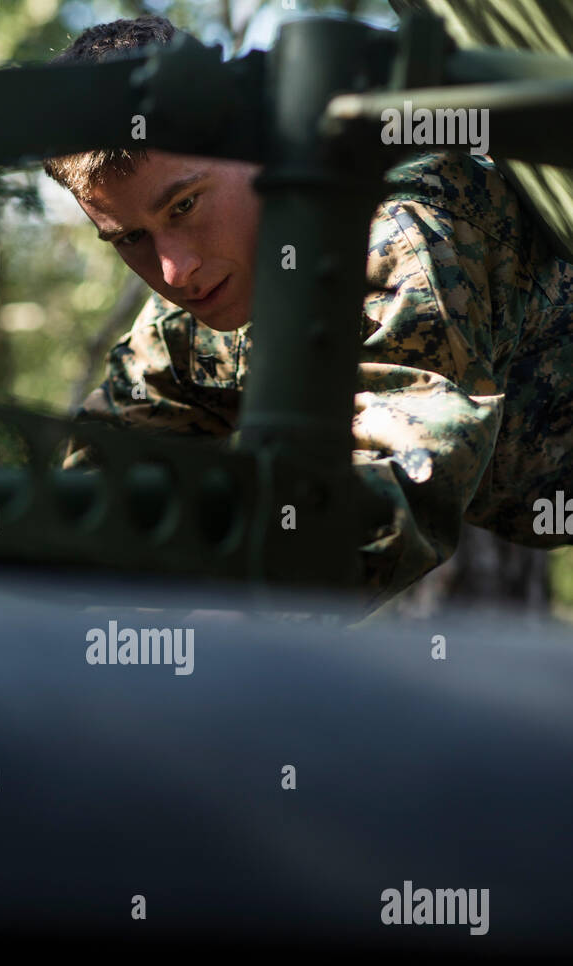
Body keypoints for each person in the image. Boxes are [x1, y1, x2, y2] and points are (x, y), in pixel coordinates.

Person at [41, 13, 573, 609]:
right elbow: (103, 466)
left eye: (185, 205)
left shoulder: (391, 236)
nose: (173, 270)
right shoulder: (197, 307)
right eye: (130, 239)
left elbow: (388, 502)